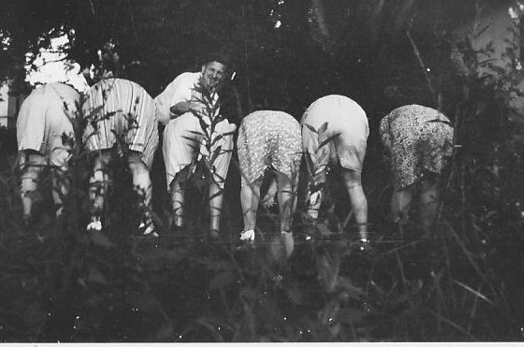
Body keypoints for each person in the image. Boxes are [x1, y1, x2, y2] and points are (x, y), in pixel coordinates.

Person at [154, 54, 236, 239]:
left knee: (184, 174)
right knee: (166, 175)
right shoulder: (188, 79)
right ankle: (172, 223)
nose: (214, 76)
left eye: (219, 73)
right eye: (211, 70)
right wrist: (196, 107)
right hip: (156, 123)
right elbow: (176, 106)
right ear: (203, 69)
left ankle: (203, 229)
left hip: (176, 130)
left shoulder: (213, 95)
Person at [82, 75, 159, 236]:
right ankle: (146, 224)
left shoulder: (95, 90)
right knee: (138, 167)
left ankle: (95, 221)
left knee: (101, 164)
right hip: (139, 99)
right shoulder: (144, 93)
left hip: (101, 96)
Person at [301, 94, 370, 243]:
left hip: (317, 118)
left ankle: (308, 237)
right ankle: (364, 239)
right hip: (354, 120)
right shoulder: (355, 106)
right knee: (354, 185)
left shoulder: (312, 108)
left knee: (315, 183)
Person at [379, 104, 454, 237]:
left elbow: (391, 149)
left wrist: (403, 174)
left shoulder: (385, 123)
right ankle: (428, 234)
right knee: (430, 186)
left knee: (403, 187)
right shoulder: (420, 112)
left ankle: (399, 233)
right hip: (444, 127)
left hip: (407, 127)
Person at [235, 110, 302, 248]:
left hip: (254, 124)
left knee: (250, 183)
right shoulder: (292, 118)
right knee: (287, 185)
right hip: (289, 125)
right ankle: (286, 232)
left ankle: (248, 233)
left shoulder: (251, 117)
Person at [15, 82, 80, 222]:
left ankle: (27, 214)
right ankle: (61, 214)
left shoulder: (33, 97)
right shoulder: (71, 93)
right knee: (61, 167)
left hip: (33, 107)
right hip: (62, 110)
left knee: (32, 167)